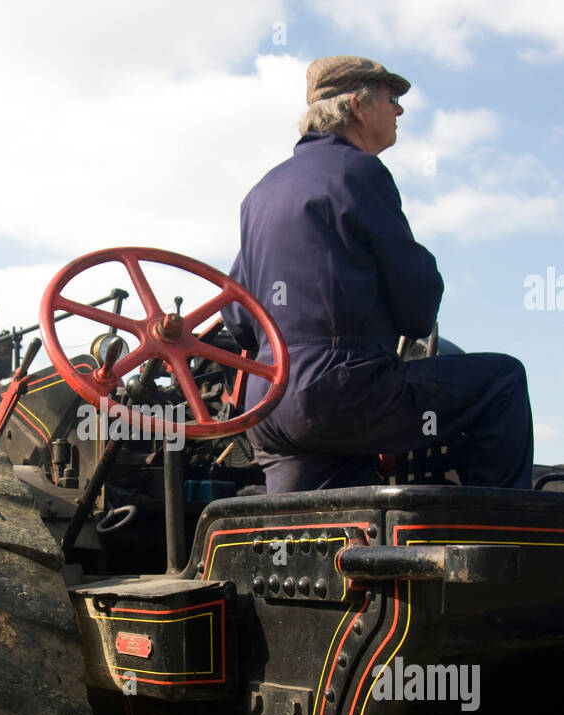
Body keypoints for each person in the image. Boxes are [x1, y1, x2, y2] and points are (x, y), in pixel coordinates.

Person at [222, 55, 534, 493]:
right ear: (357, 106)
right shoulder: (360, 172)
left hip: (269, 408)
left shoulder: (262, 191)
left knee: (312, 528)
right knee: (503, 381)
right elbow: (416, 309)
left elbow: (237, 317)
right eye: (392, 98)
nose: (400, 111)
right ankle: (501, 541)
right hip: (342, 394)